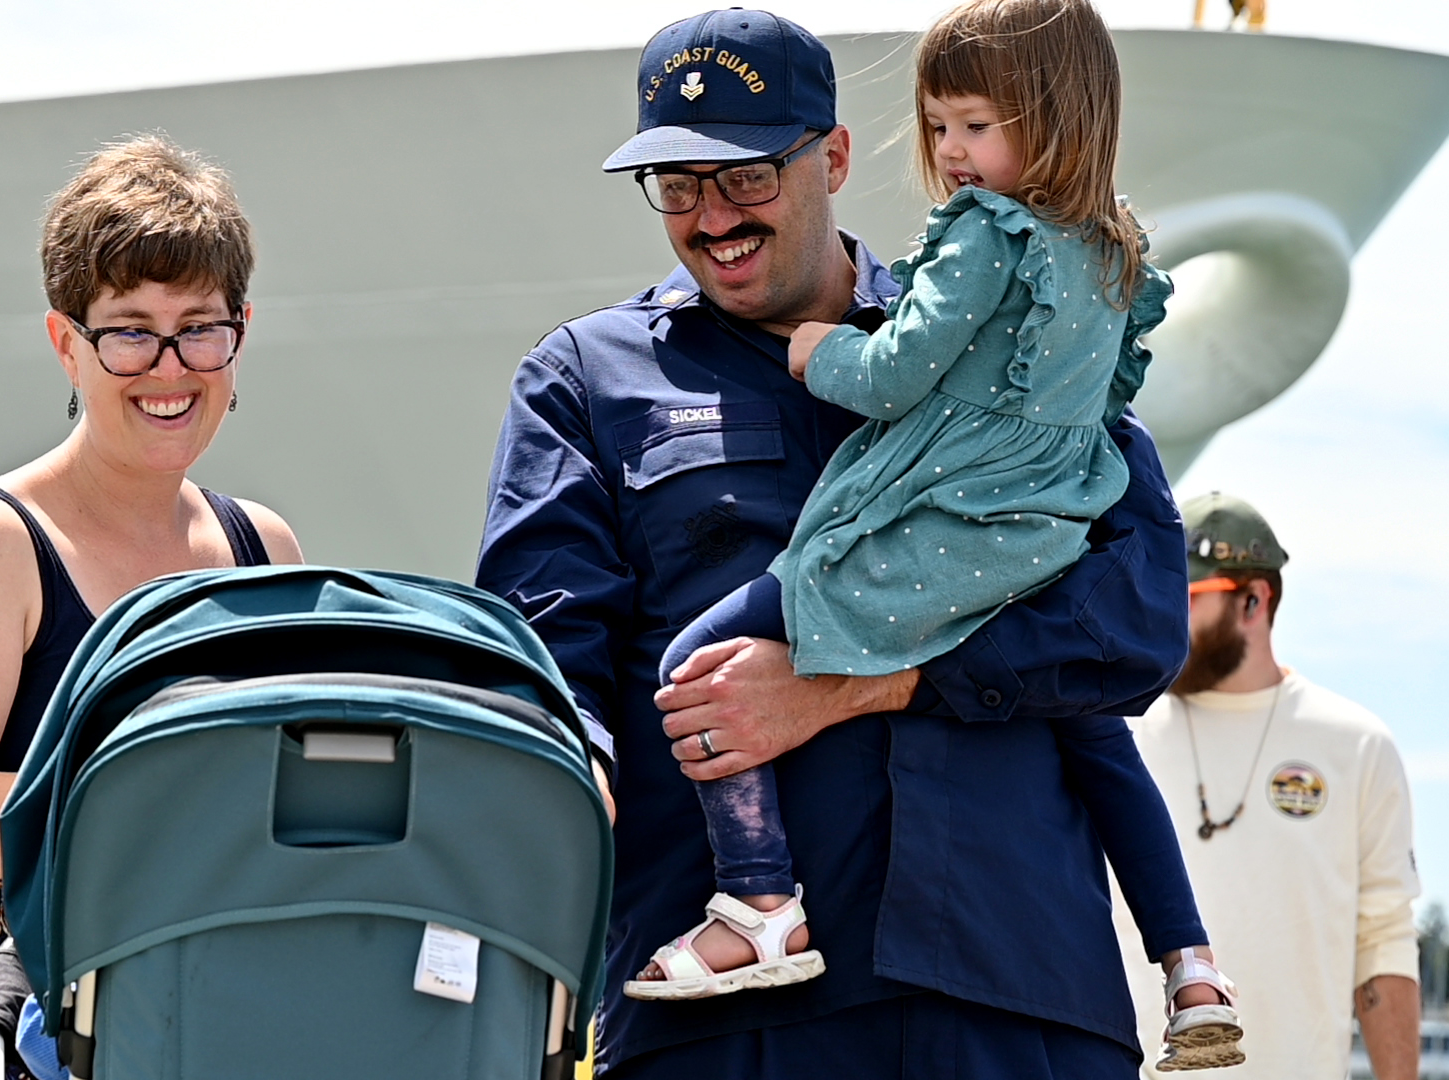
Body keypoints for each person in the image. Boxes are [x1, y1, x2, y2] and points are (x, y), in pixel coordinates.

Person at [477, 5, 1195, 1076]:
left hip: (1018, 992)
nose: (712, 215)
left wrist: (860, 682)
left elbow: (1135, 623)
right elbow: (543, 687)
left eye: (747, 176)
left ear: (836, 157)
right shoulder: (583, 383)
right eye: (678, 186)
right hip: (725, 1027)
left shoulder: (1016, 325)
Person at [0, 135, 303, 1080]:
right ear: (68, 342)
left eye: (200, 326)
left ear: (241, 333)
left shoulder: (267, 550)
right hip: (11, 1030)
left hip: (214, 1022)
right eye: (129, 329)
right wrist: (152, 796)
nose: (169, 365)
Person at [1113, 493, 1422, 1080]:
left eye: (1186, 595)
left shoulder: (1355, 743)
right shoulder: (1114, 734)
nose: (1159, 613)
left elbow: (1383, 941)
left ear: (1254, 600)